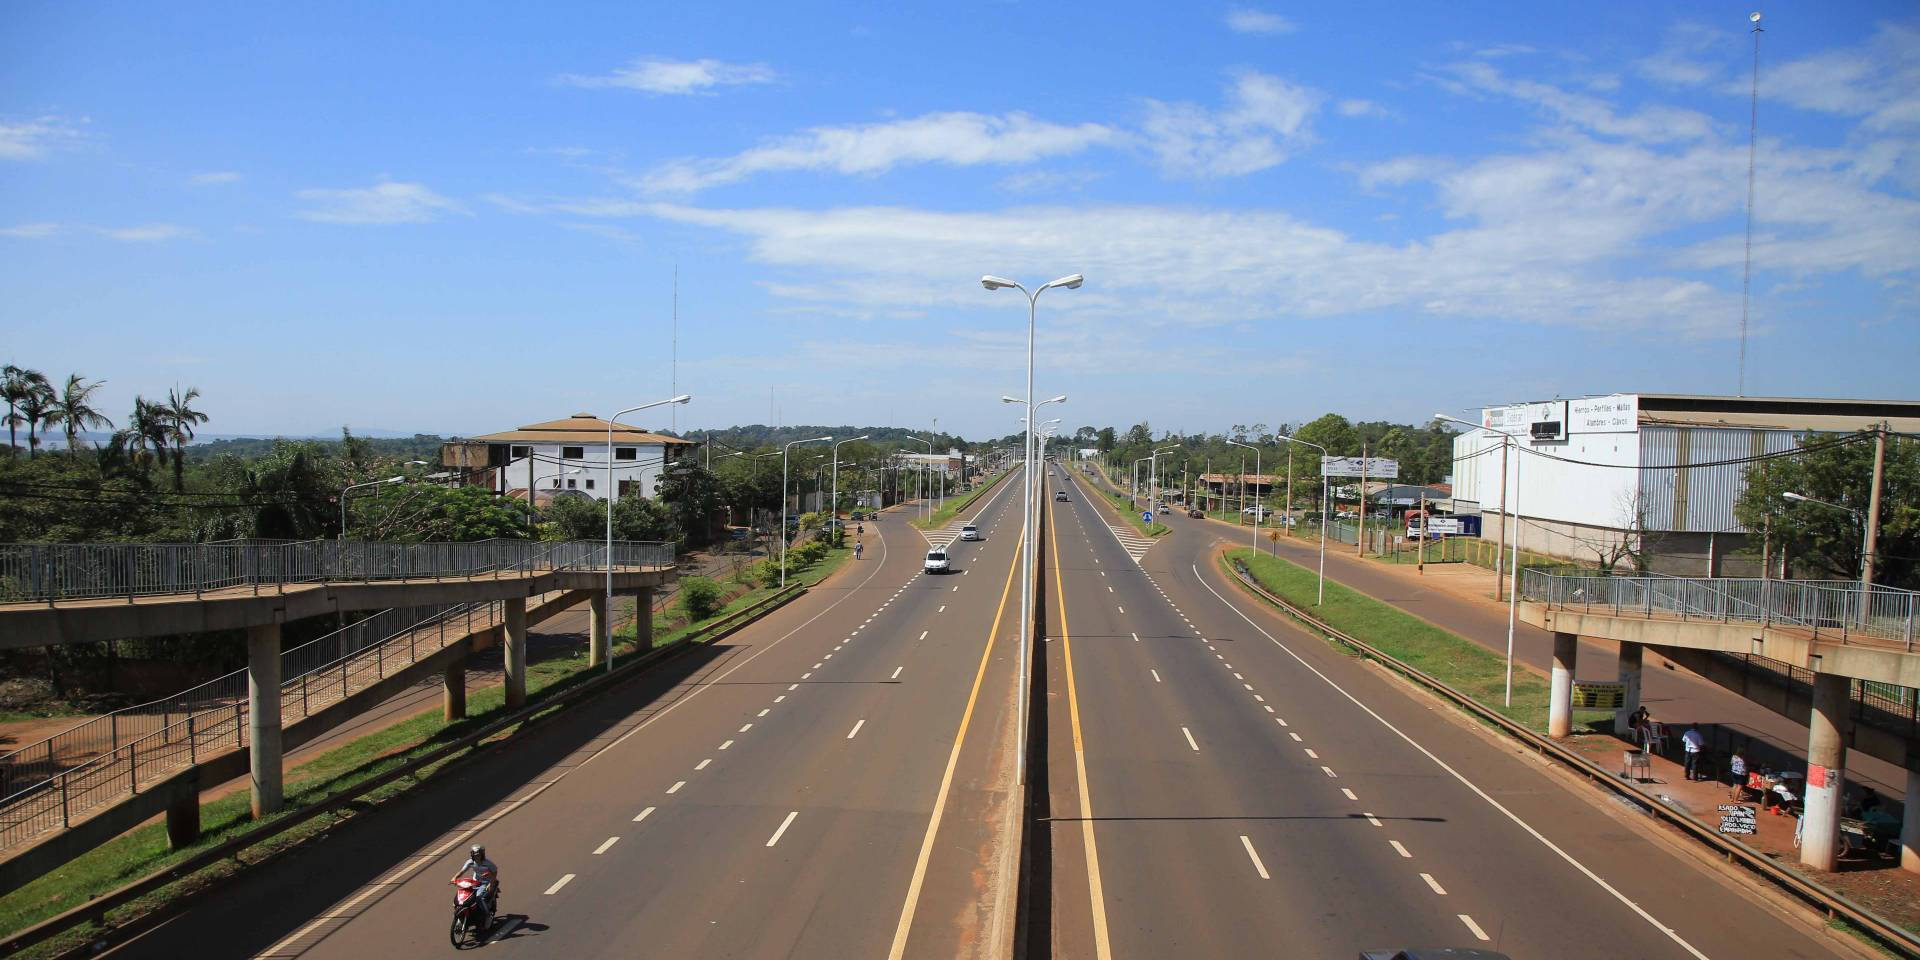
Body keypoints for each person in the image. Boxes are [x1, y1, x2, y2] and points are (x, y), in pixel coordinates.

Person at [451, 843, 500, 922]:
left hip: (485, 883)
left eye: (478, 855)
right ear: (472, 855)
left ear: (482, 855)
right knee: (465, 897)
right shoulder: (470, 862)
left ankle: (487, 915)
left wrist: (491, 883)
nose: (477, 857)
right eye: (475, 855)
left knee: (479, 897)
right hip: (475, 882)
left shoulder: (488, 863)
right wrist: (455, 877)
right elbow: (462, 871)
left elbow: (495, 872)